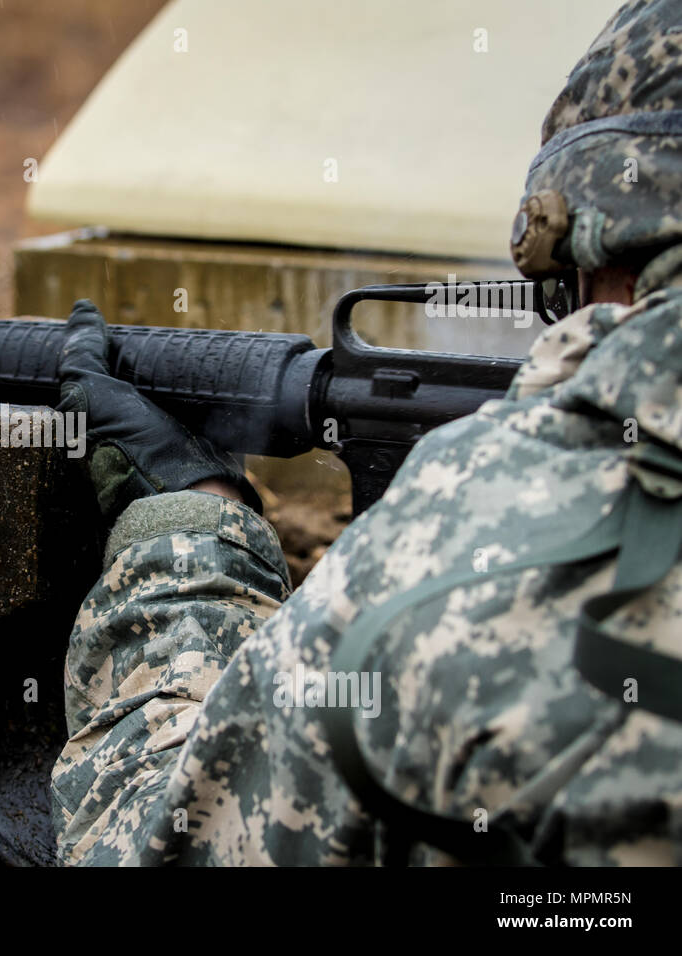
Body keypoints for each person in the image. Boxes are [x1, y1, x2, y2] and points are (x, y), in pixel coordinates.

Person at [52, 0, 682, 866]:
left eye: (560, 291)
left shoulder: (474, 542)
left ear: (599, 236)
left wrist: (190, 530)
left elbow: (164, 843)